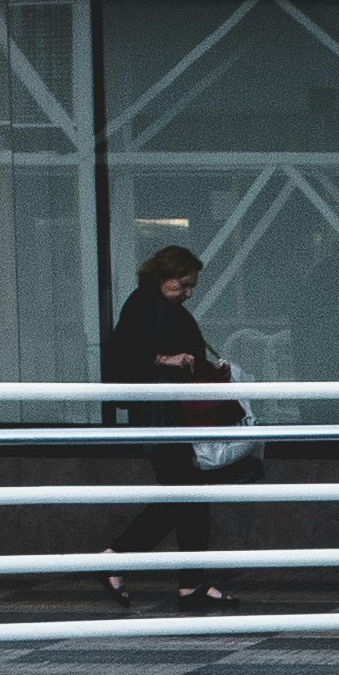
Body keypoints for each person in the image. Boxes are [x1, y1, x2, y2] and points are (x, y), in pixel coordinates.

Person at [98, 244, 235, 611]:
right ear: (163, 276)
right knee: (185, 494)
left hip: (174, 414)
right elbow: (122, 356)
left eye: (192, 286)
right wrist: (164, 359)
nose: (188, 293)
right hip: (162, 416)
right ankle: (118, 558)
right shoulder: (144, 305)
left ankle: (191, 583)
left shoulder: (157, 305)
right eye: (183, 284)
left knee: (190, 496)